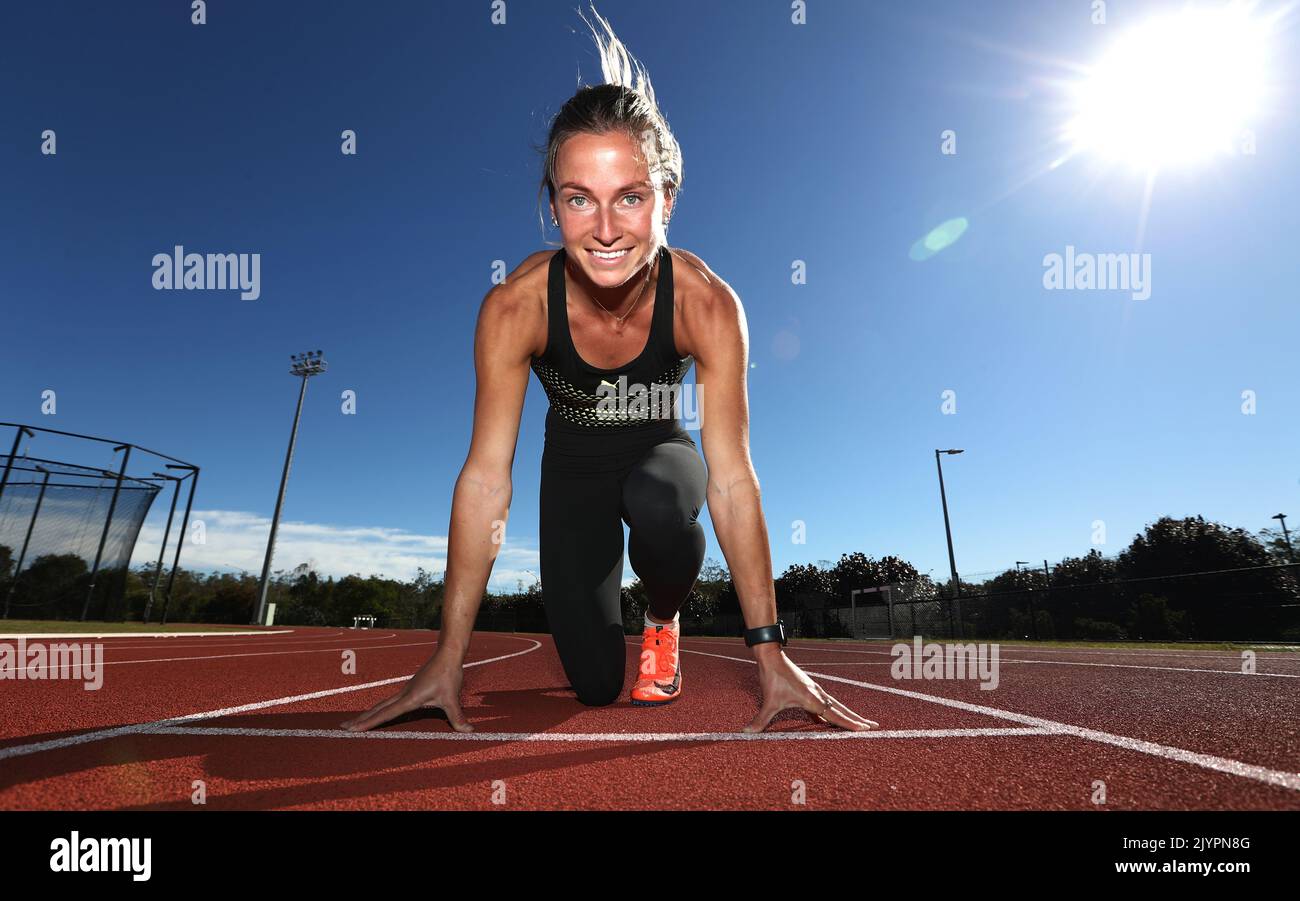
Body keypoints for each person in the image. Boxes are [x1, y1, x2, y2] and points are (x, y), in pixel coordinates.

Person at [341, 3, 877, 735]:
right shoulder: (514, 309)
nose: (604, 229)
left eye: (630, 197)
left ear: (667, 199)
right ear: (553, 203)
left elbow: (730, 479)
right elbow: (485, 478)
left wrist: (769, 652)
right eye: (577, 199)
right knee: (593, 686)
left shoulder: (708, 306)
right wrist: (448, 655)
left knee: (663, 499)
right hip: (572, 472)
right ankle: (594, 637)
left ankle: (663, 616)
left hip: (661, 454)